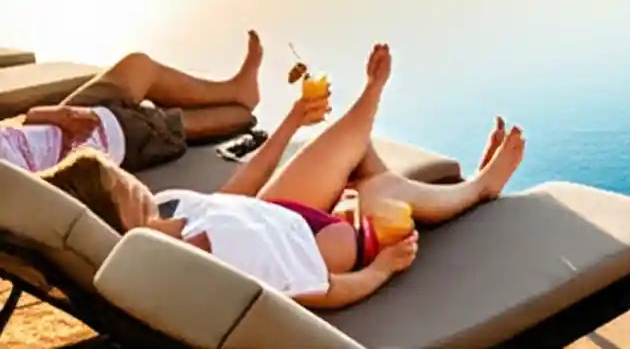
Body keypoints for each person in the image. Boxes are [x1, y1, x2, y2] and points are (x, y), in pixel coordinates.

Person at [38, 43, 526, 309]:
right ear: (119, 222)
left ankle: (371, 112)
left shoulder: (167, 209)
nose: (133, 181)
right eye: (123, 186)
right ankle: (478, 187)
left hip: (273, 214)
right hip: (323, 249)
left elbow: (238, 191)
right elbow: (318, 293)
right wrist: (380, 270)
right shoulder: (193, 263)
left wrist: (292, 119)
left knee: (345, 145)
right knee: (383, 191)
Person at [1, 32, 265, 173]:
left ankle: (234, 89)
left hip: (55, 120)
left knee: (138, 67)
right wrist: (75, 145)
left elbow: (11, 130)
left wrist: (56, 115)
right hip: (104, 138)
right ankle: (240, 104)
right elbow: (49, 191)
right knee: (191, 122)